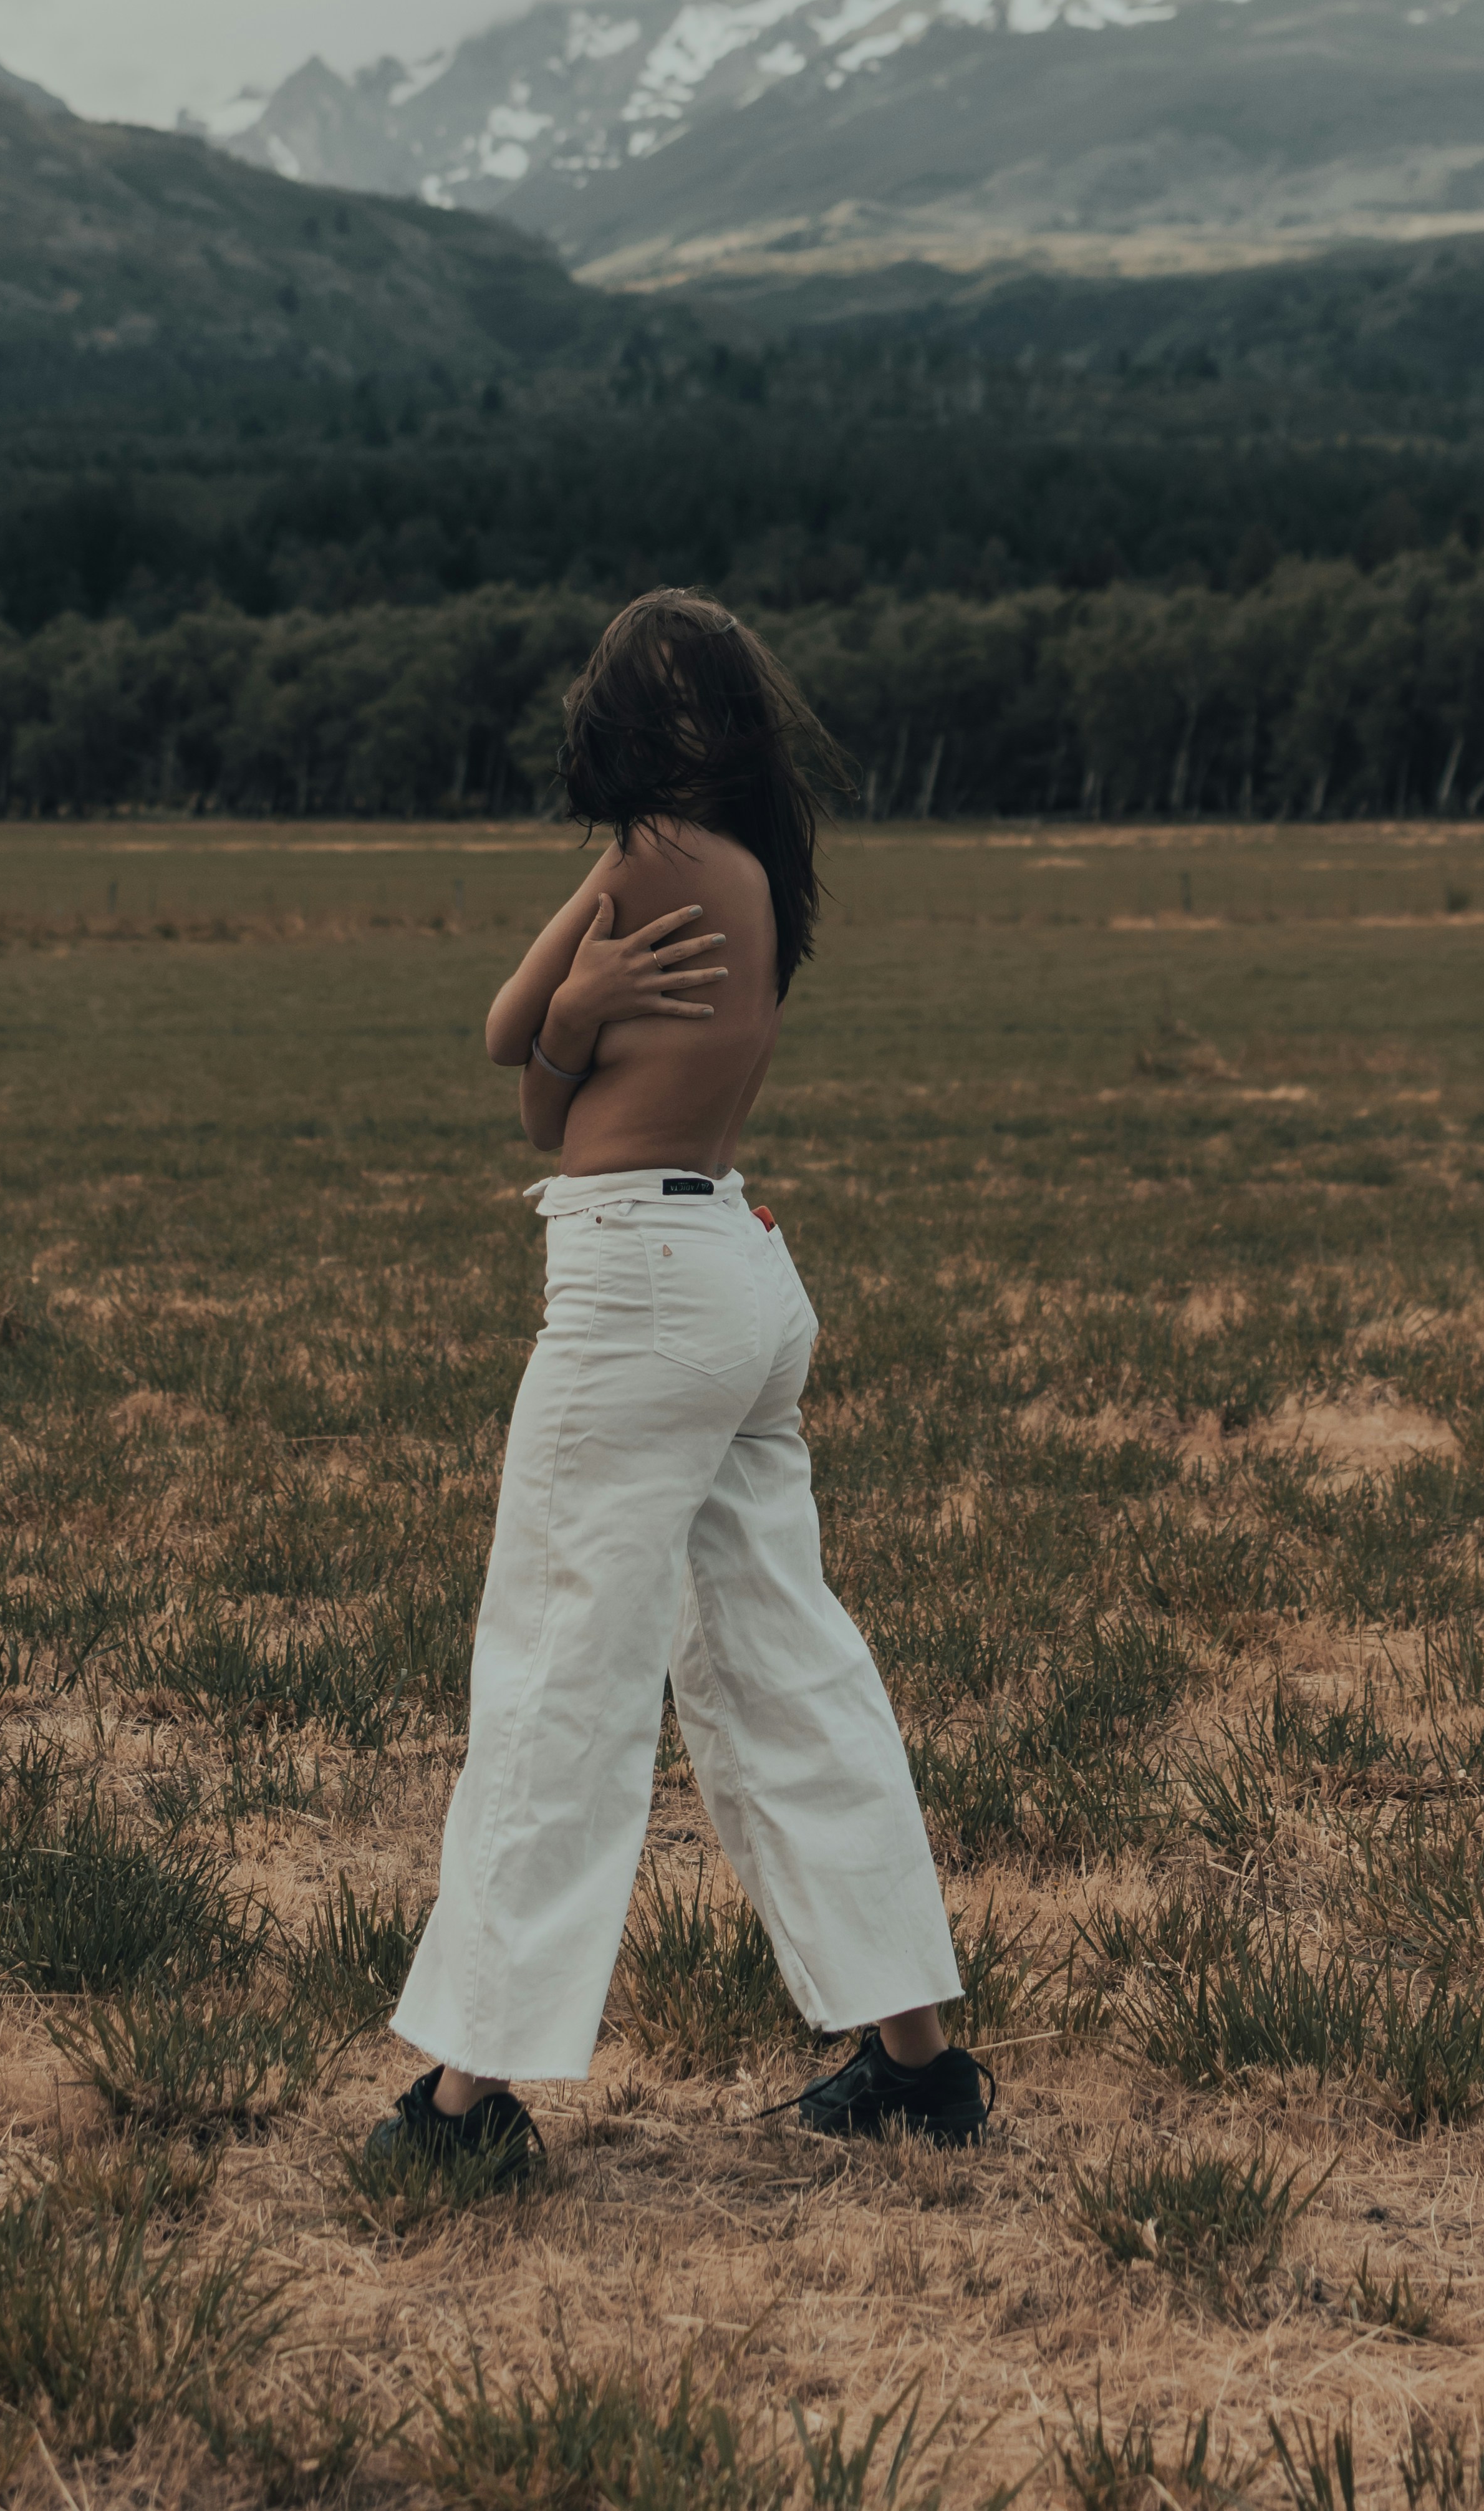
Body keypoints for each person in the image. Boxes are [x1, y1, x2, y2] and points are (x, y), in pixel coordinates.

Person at [366, 589, 985, 2184]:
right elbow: (527, 1047)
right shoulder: (757, 866)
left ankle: (463, 2106)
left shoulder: (644, 858)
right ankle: (918, 2062)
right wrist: (571, 1025)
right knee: (786, 1669)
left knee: (559, 1684)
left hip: (636, 1291)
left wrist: (568, 1025)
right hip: (732, 1282)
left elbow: (516, 1068)